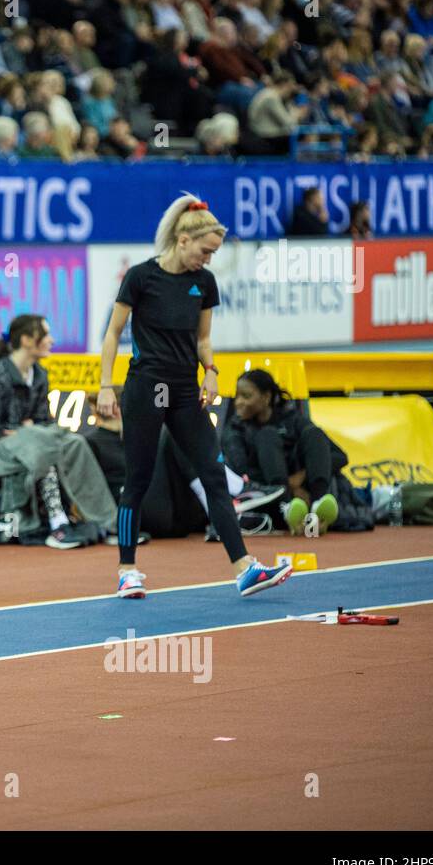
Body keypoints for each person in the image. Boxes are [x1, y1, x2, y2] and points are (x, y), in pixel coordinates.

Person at [96, 194, 293, 599]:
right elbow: (113, 334)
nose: (208, 259)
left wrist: (212, 372)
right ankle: (127, 570)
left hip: (187, 392)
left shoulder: (204, 283)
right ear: (183, 240)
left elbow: (203, 338)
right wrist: (103, 385)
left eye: (214, 254)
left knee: (214, 476)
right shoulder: (140, 277)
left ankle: (244, 569)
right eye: (205, 251)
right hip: (147, 389)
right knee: (137, 479)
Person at [0, 314, 118, 549]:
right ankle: (58, 524)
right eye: (45, 335)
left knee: (74, 442)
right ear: (26, 340)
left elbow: (43, 421)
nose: (52, 340)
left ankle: (108, 523)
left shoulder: (40, 376)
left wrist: (29, 430)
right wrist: (22, 431)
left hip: (26, 445)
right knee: (37, 441)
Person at [224, 369, 345, 537]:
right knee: (267, 435)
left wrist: (301, 478)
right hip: (270, 498)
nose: (238, 402)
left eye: (246, 396)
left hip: (305, 492)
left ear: (266, 397)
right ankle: (288, 508)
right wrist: (287, 488)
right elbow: (241, 471)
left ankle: (318, 504)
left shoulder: (292, 419)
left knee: (314, 433)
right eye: (237, 396)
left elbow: (339, 456)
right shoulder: (235, 428)